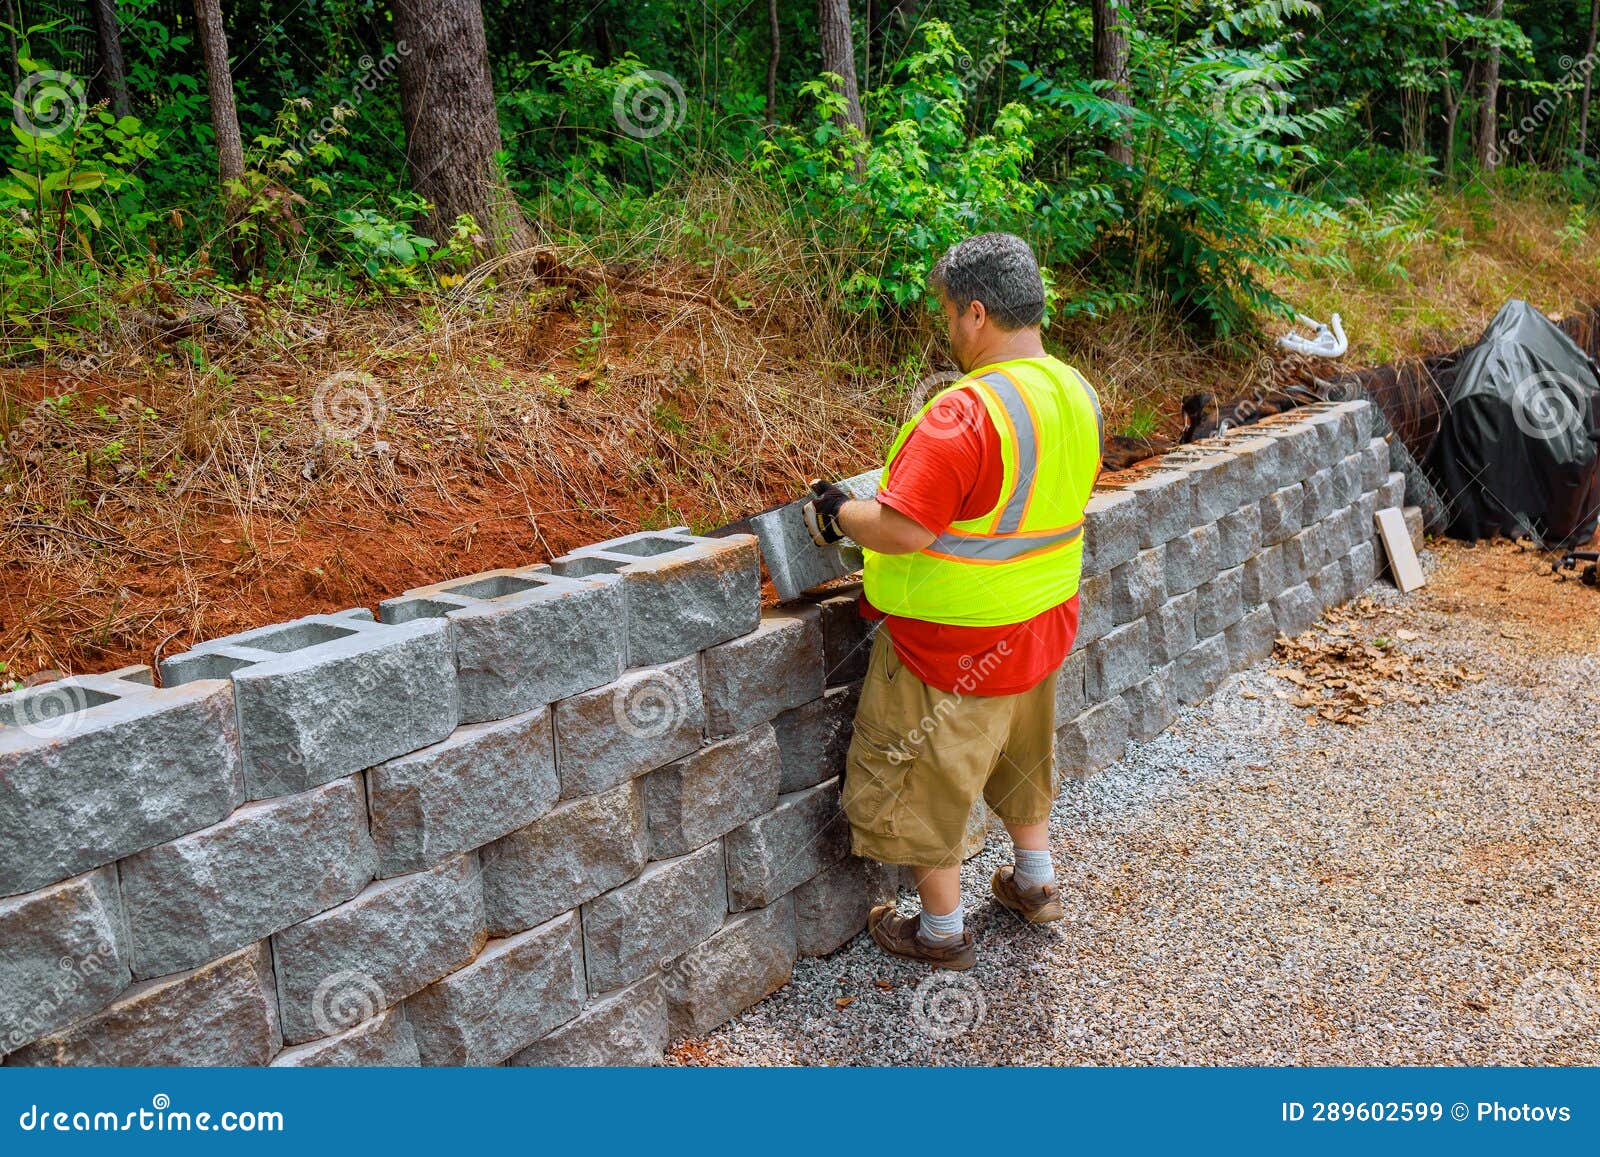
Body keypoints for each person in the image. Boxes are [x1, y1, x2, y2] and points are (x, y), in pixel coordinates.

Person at [805, 232, 1103, 970]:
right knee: (1022, 754)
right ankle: (1034, 883)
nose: (947, 327)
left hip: (951, 643)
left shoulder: (962, 414)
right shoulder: (1074, 389)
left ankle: (940, 934)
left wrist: (841, 513)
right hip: (1038, 622)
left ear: (976, 313)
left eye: (947, 312)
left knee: (918, 782)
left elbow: (903, 527)